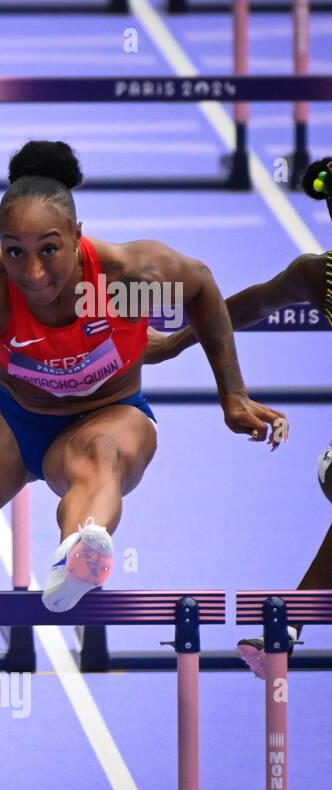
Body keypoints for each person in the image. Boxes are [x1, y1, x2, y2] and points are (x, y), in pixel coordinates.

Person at [0, 140, 285, 612]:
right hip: (11, 423)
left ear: (76, 236)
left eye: (49, 249)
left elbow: (203, 290)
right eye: (15, 252)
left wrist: (232, 395)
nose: (33, 272)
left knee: (100, 456)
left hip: (112, 415)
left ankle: (78, 553)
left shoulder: (126, 278)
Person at [145, 157, 331, 676]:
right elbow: (251, 304)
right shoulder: (321, 276)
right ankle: (289, 626)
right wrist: (174, 346)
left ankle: (290, 626)